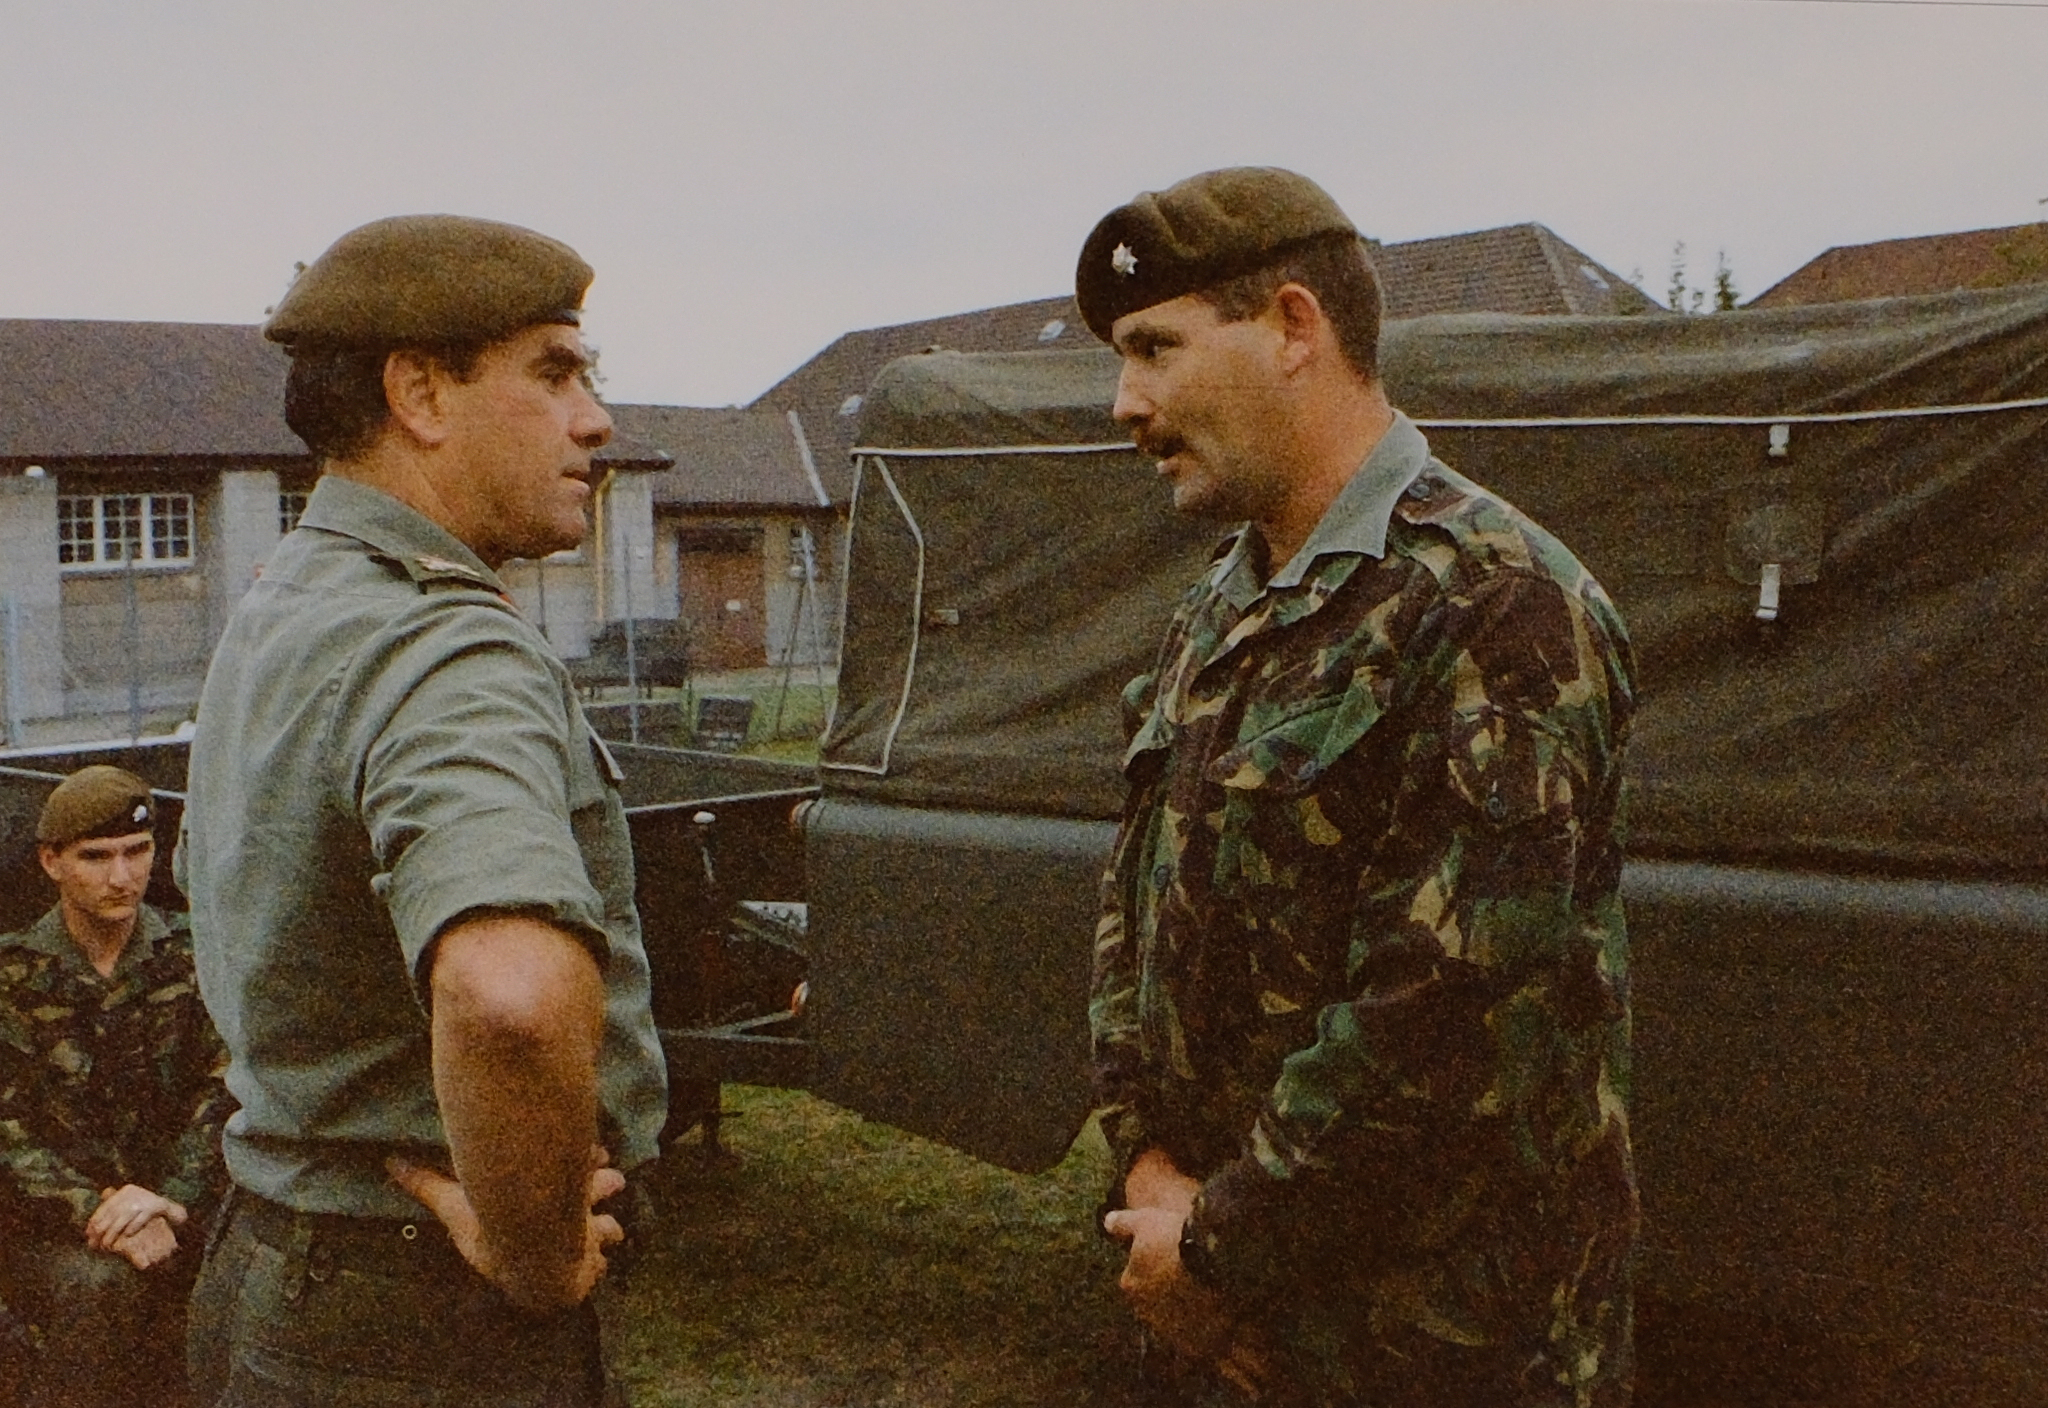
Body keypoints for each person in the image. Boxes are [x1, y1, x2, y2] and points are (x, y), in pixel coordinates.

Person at [1079, 168, 1639, 1407]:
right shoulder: (1219, 610)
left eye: (1155, 348)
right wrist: (1148, 1171)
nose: (1124, 403)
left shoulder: (1495, 604)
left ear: (1292, 327)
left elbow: (1446, 1022)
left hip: (1426, 1349)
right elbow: (1133, 912)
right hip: (1222, 1325)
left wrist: (1212, 1244)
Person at [176, 214, 668, 1407]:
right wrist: (540, 1254)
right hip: (421, 1317)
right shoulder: (442, 643)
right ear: (420, 394)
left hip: (272, 1268)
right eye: (554, 371)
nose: (595, 419)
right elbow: (507, 998)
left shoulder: (290, 598)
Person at [0, 765, 233, 1407]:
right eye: (95, 857)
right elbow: (10, 1134)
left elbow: (226, 1092)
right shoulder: (13, 975)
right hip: (57, 1231)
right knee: (97, 1290)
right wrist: (105, 1217)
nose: (122, 877)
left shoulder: (196, 954)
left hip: (182, 1212)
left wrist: (170, 1202)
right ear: (51, 862)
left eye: (138, 852)